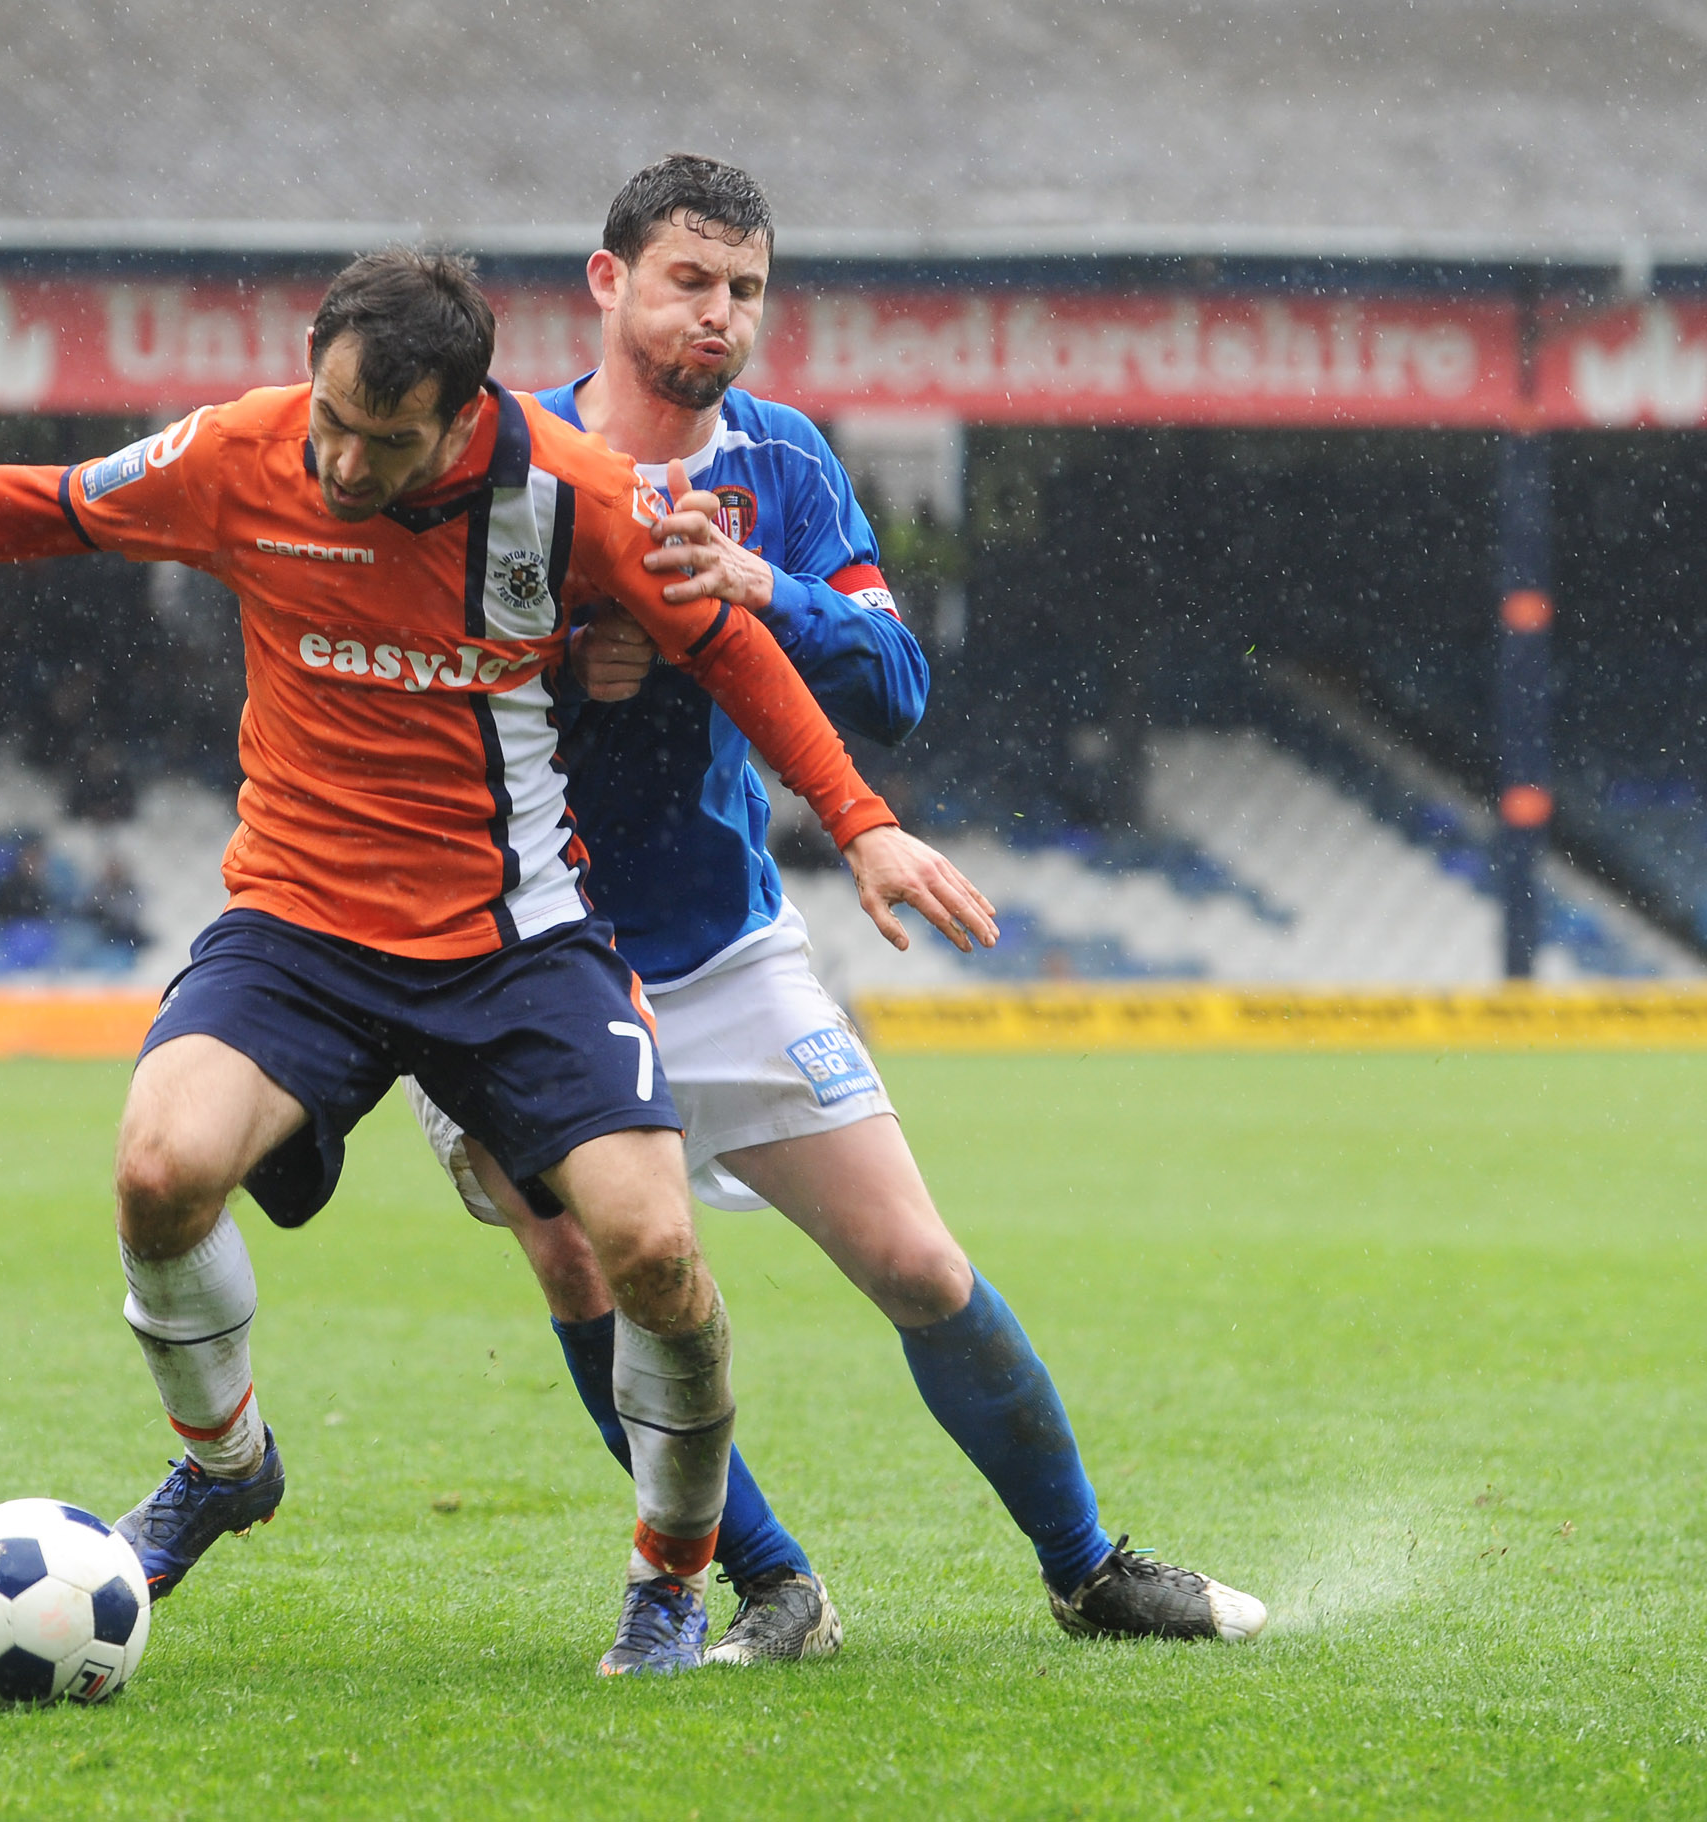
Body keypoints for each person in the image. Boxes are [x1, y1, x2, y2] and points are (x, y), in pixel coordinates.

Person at [0, 248, 994, 1675]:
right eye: (331, 416)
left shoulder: (576, 493)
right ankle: (225, 1463)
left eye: (383, 440)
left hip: (515, 942)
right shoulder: (242, 450)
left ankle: (672, 1571)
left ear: (463, 415)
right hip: (300, 928)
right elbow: (30, 505)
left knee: (652, 1250)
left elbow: (734, 650)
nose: (340, 459)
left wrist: (866, 826)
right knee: (157, 1171)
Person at [410, 156, 1267, 1655]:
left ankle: (1087, 1568)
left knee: (921, 1263)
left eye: (745, 288)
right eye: (690, 279)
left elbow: (894, 682)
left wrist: (749, 591)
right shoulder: (512, 458)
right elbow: (421, 678)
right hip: (531, 956)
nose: (720, 314)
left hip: (731, 947)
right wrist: (575, 652)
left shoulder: (787, 467)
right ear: (606, 281)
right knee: (591, 1262)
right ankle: (770, 1585)